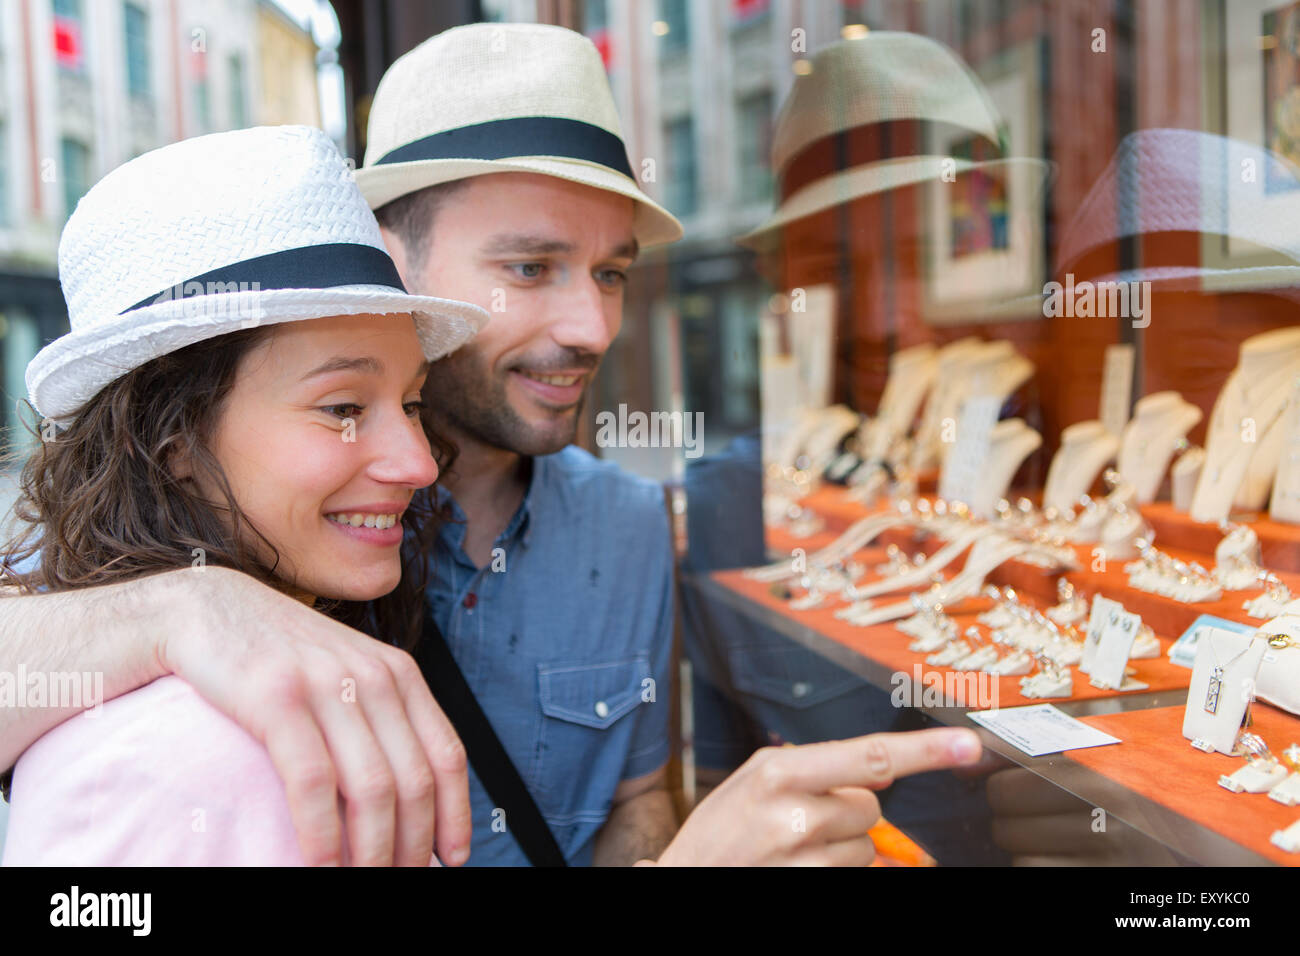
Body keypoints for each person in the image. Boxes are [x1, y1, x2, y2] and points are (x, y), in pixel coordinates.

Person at [0, 23, 983, 867]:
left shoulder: (627, 521)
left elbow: (635, 805)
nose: (593, 326)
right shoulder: (213, 519)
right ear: (391, 259)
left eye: (610, 272)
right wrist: (180, 607)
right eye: (530, 264)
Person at [2, 124, 489, 864]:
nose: (418, 463)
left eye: (412, 404)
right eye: (343, 409)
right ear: (173, 443)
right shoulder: (203, 756)